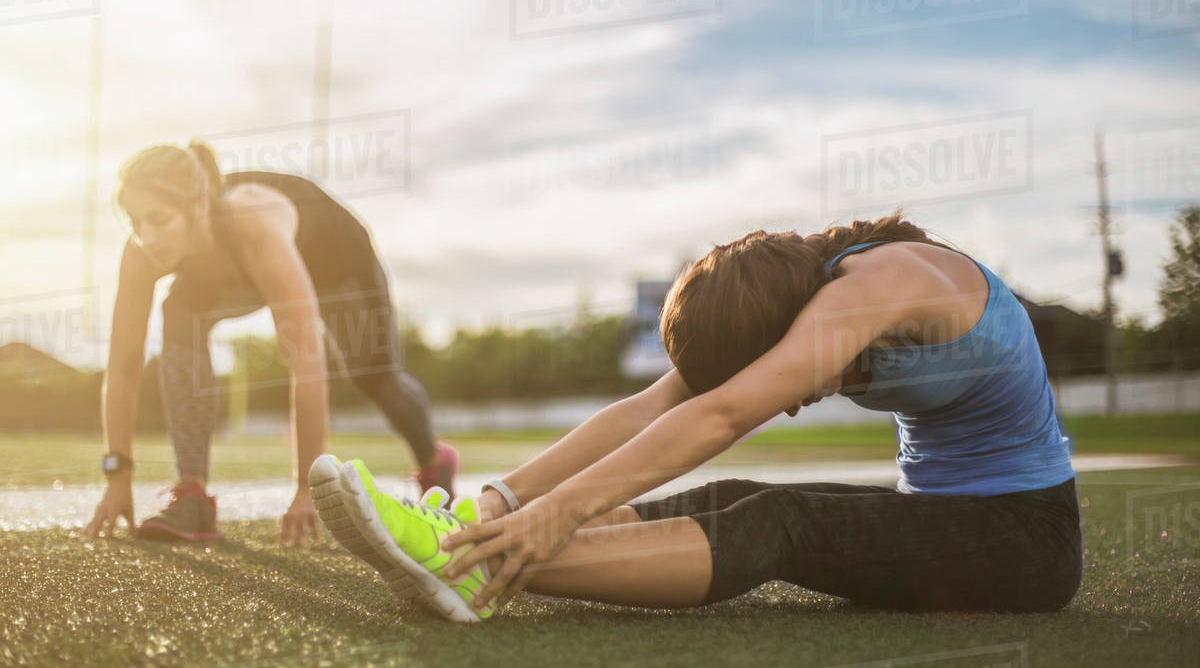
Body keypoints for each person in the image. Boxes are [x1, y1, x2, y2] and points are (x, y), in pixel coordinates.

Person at [317, 214, 1083, 618]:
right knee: (731, 494)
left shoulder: (879, 287)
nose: (791, 397)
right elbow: (651, 408)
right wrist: (506, 497)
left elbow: (719, 418)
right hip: (943, 516)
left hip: (1025, 542)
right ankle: (468, 537)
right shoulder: (791, 290)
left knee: (780, 520)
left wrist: (562, 513)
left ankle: (459, 563)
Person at [84, 141, 457, 545]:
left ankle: (435, 463)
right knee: (180, 315)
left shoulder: (252, 223)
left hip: (337, 263)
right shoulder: (141, 252)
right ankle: (192, 497)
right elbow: (122, 368)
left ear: (199, 206)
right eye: (135, 222)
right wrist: (116, 476)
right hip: (231, 269)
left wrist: (306, 490)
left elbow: (306, 363)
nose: (146, 236)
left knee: (375, 379)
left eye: (158, 219)